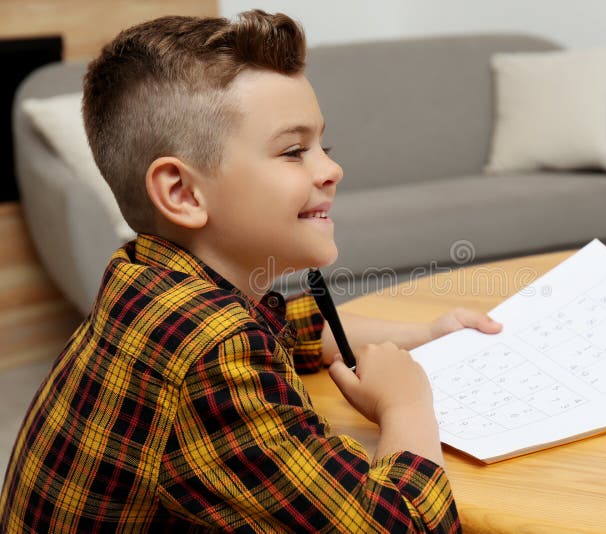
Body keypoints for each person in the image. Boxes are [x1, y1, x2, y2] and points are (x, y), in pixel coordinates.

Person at [0, 10, 503, 532]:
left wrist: (423, 335)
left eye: (322, 147)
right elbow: (403, 525)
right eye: (294, 152)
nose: (332, 169)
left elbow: (293, 330)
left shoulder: (148, 280)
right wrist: (406, 403)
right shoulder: (211, 355)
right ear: (183, 193)